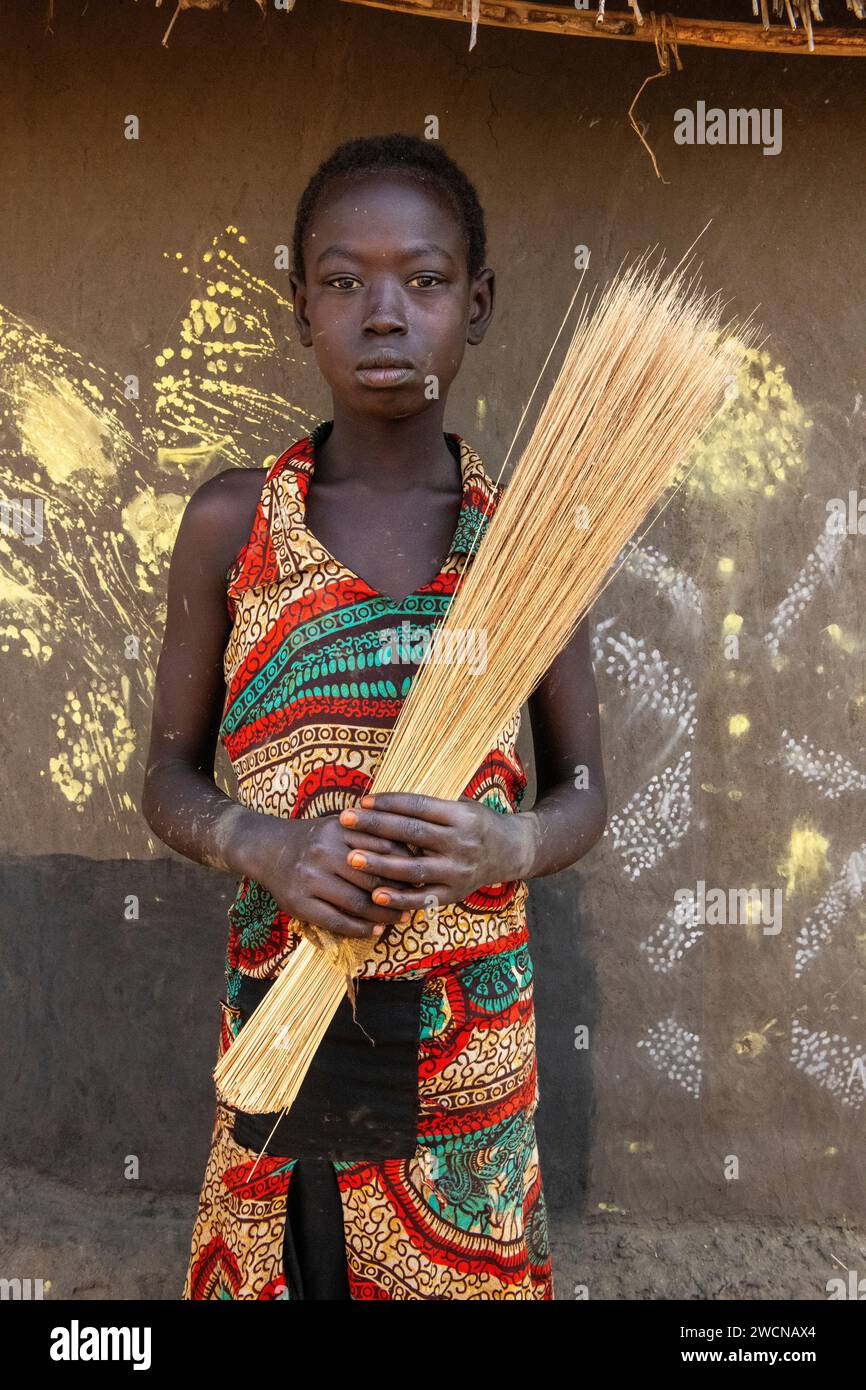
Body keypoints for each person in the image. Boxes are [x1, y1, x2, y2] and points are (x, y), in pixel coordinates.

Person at [142, 132, 607, 1301]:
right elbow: (163, 775)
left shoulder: (526, 546)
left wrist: (509, 844)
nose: (384, 313)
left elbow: (584, 791)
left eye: (425, 280)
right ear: (299, 306)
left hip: (469, 1035)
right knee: (287, 1267)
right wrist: (258, 843)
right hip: (290, 1006)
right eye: (343, 281)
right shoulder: (234, 524)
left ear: (478, 303)